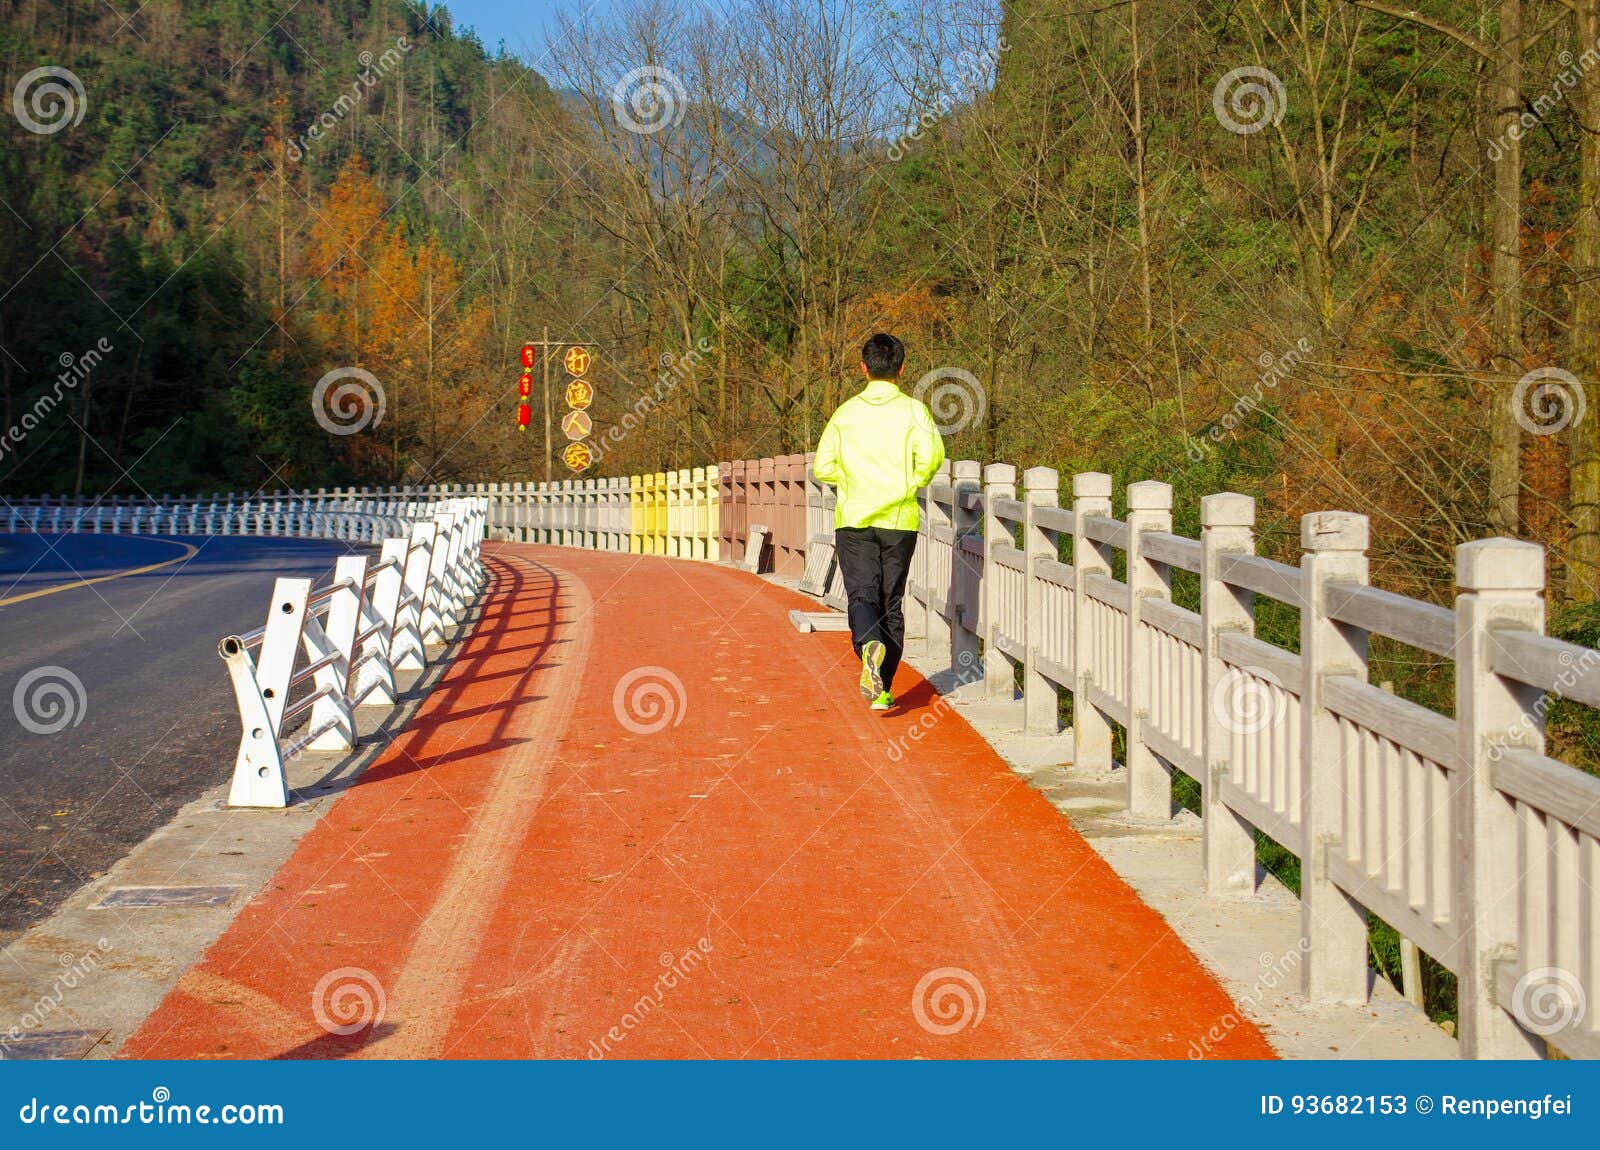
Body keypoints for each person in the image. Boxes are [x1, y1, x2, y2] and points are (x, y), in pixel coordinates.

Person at [813, 333, 946, 712]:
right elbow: (932, 458)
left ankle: (868, 645)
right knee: (891, 601)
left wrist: (851, 481)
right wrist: (909, 482)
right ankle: (883, 688)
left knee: (862, 596)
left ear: (864, 368)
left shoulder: (845, 414)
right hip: (899, 520)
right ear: (901, 369)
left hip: (854, 519)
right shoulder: (914, 412)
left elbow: (822, 466)